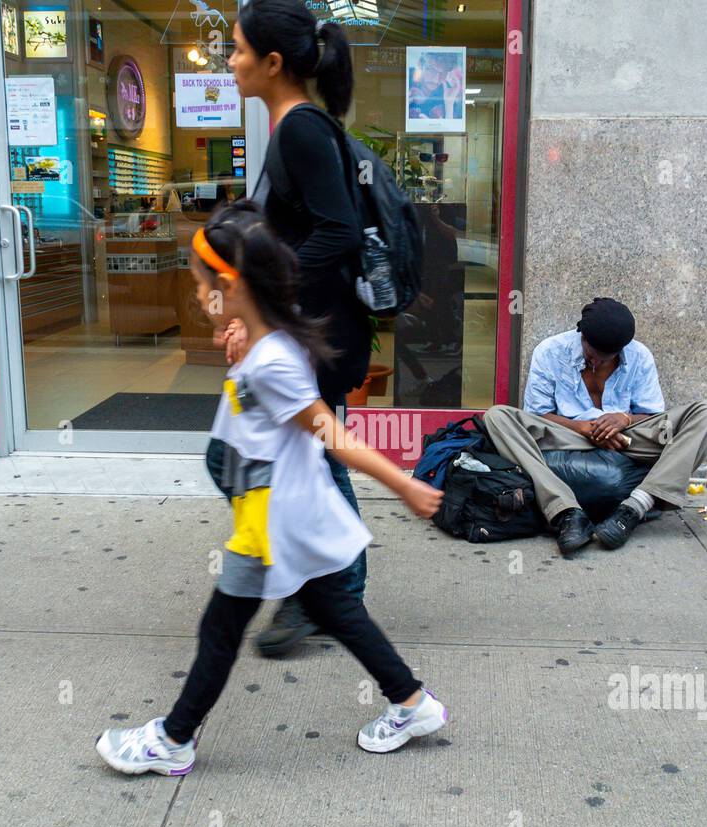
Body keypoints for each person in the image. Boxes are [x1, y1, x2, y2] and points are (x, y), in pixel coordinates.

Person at [96, 201, 448, 776]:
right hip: (285, 509)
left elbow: (331, 433)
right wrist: (233, 339)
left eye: (200, 280)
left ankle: (173, 740)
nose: (195, 289)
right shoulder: (266, 340)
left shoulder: (273, 361)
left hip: (271, 520)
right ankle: (412, 703)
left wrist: (403, 484)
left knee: (221, 629)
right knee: (336, 609)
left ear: (231, 286)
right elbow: (252, 377)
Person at [215, 0, 370, 658]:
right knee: (290, 456)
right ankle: (322, 592)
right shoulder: (293, 128)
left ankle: (334, 596)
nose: (229, 60)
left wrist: (266, 305)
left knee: (314, 456)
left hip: (320, 332)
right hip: (307, 328)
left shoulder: (302, 130)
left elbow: (335, 230)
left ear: (272, 63)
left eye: (238, 49)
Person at [483, 298, 707, 555]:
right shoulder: (550, 351)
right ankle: (566, 513)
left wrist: (625, 419)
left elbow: (653, 415)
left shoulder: (639, 356)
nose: (596, 364)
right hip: (569, 434)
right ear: (582, 336)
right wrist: (583, 428)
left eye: (606, 359)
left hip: (629, 439)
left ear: (622, 349)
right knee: (497, 417)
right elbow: (539, 416)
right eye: (590, 356)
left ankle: (635, 507)